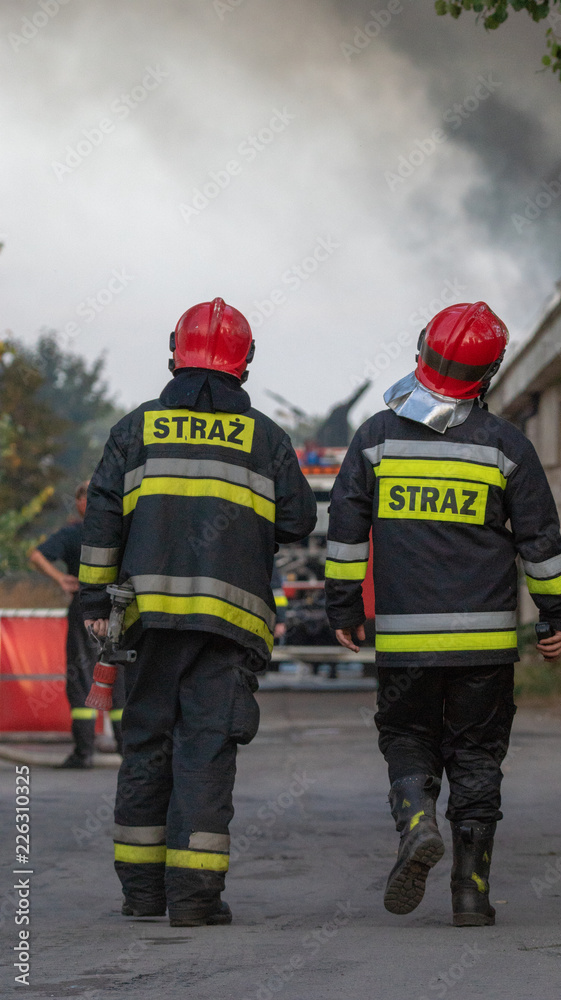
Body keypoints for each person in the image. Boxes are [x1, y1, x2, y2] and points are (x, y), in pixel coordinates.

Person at [325, 301, 561, 926]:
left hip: (406, 641)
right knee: (476, 754)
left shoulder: (375, 438)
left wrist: (344, 607)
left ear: (423, 351)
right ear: (488, 373)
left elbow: (347, 533)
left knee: (408, 736)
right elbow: (540, 540)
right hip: (484, 643)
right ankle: (471, 896)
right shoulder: (506, 445)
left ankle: (416, 822)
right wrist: (557, 614)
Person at [79, 297, 316, 927]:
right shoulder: (265, 436)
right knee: (205, 751)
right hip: (226, 627)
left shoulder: (134, 429)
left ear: (174, 354)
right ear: (245, 364)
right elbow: (297, 519)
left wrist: (95, 600)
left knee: (146, 745)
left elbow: (102, 515)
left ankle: (140, 894)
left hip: (145, 623)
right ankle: (193, 900)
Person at [29, 482, 124, 767]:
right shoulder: (121, 531)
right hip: (118, 612)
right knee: (119, 681)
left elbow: (36, 555)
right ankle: (129, 753)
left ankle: (84, 754)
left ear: (83, 502)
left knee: (82, 677)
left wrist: (60, 579)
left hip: (85, 609)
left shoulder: (74, 533)